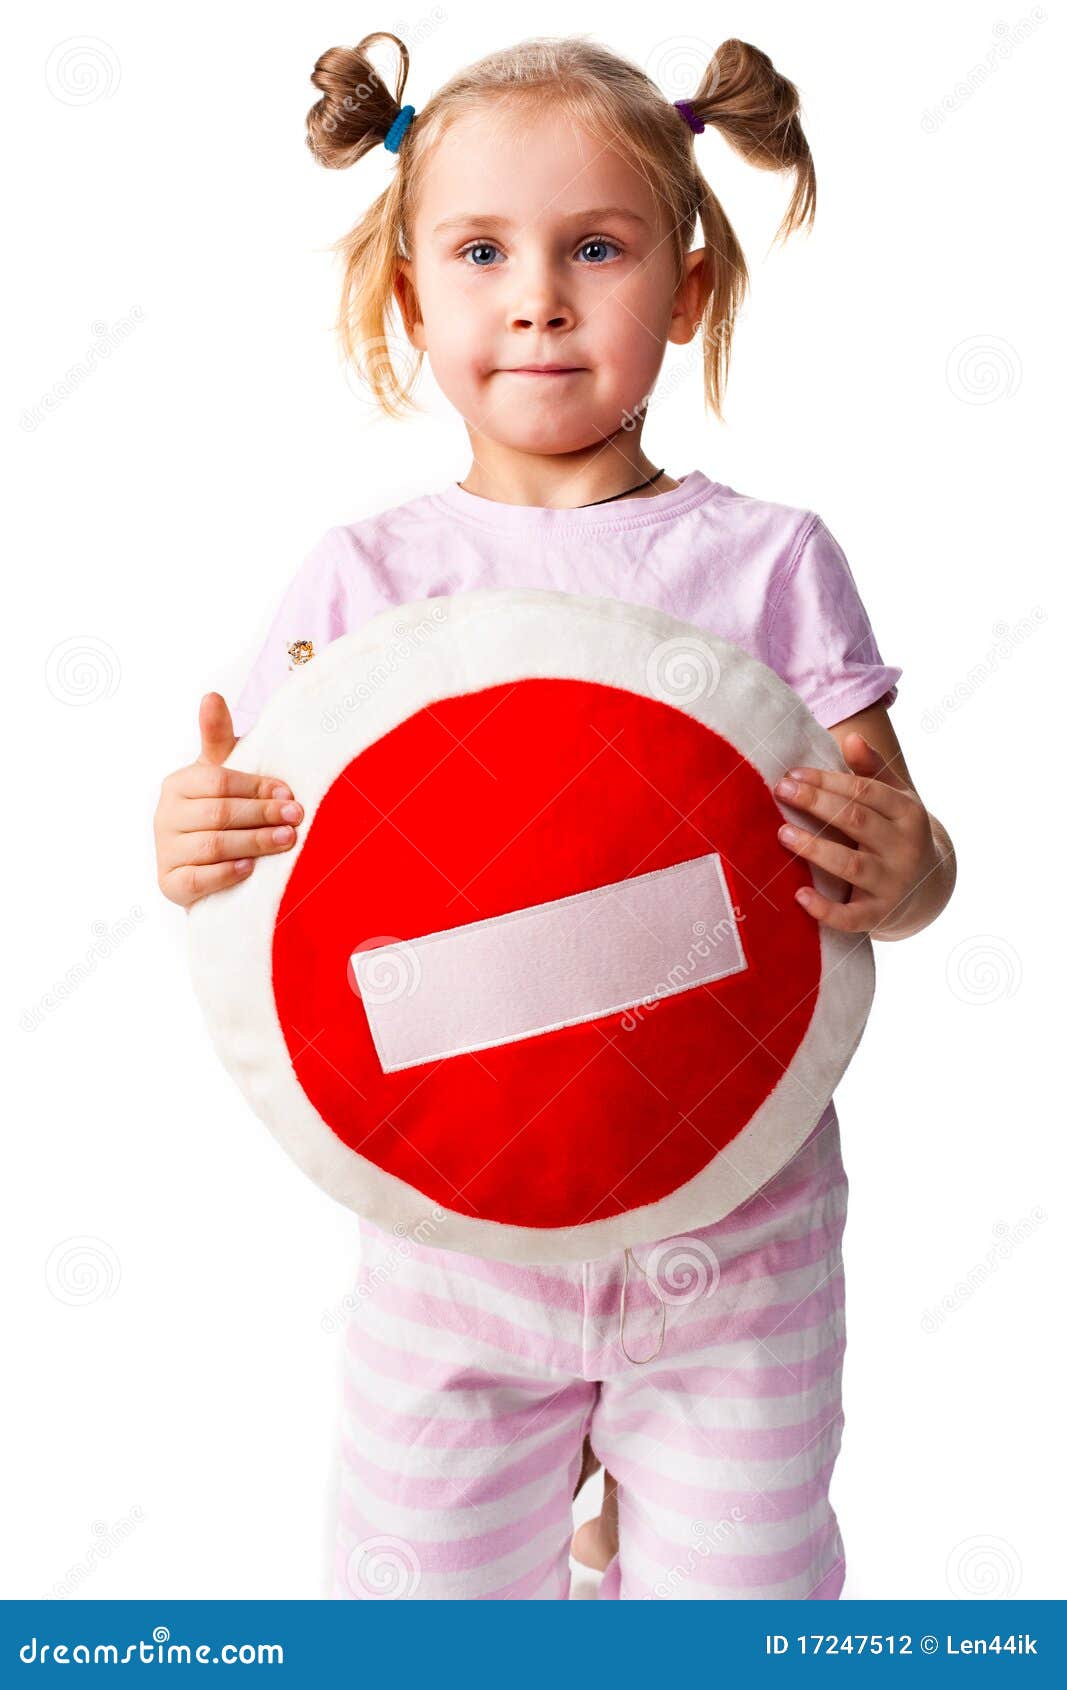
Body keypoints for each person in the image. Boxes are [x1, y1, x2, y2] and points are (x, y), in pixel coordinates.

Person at [153, 32, 956, 1599]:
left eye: (597, 246)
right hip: (453, 1254)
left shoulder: (770, 563)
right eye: (481, 251)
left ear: (690, 290)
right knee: (415, 1622)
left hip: (738, 1240)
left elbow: (899, 852)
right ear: (410, 299)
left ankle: (629, 1548)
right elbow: (267, 879)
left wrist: (911, 865)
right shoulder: (361, 583)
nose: (538, 296)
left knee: (740, 1609)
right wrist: (189, 836)